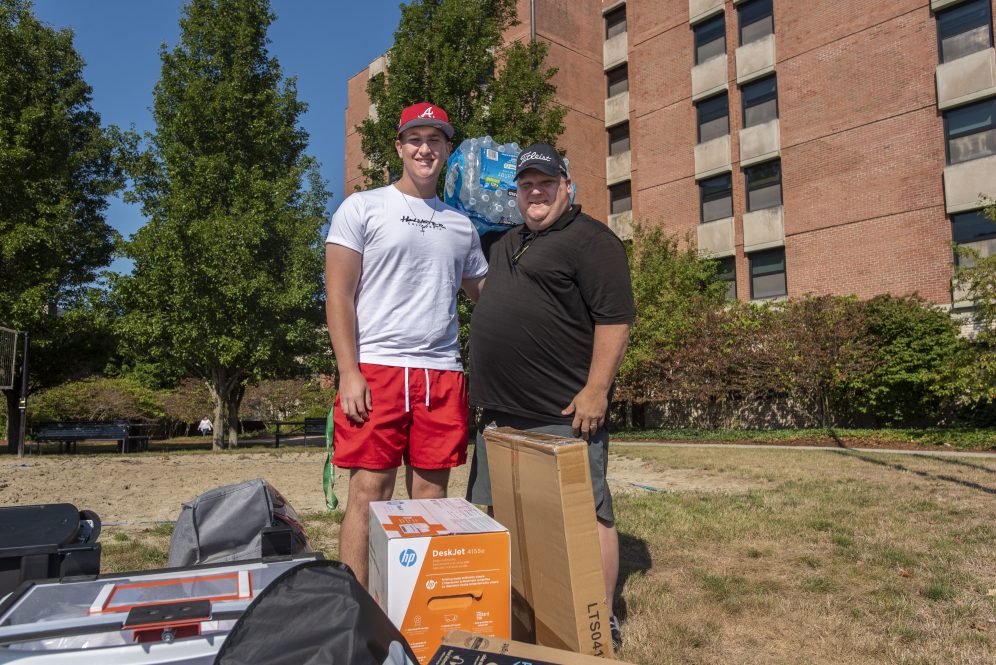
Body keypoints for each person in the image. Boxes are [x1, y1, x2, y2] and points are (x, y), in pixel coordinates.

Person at [465, 143, 634, 650]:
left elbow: (616, 318)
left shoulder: (593, 241)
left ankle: (599, 620)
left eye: (546, 183)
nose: (535, 192)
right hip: (498, 414)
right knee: (491, 514)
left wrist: (596, 390)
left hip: (564, 413)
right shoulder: (504, 241)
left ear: (567, 187)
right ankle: (516, 612)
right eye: (526, 185)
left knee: (588, 518)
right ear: (515, 193)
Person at [325, 102, 488, 588]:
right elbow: (338, 294)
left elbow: (488, 297)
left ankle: (419, 602)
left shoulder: (462, 225)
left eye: (435, 139)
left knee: (432, 497)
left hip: (440, 372)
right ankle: (354, 603)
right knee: (369, 491)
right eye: (415, 138)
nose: (424, 148)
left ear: (446, 151)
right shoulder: (363, 207)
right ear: (399, 147)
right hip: (377, 369)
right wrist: (349, 371)